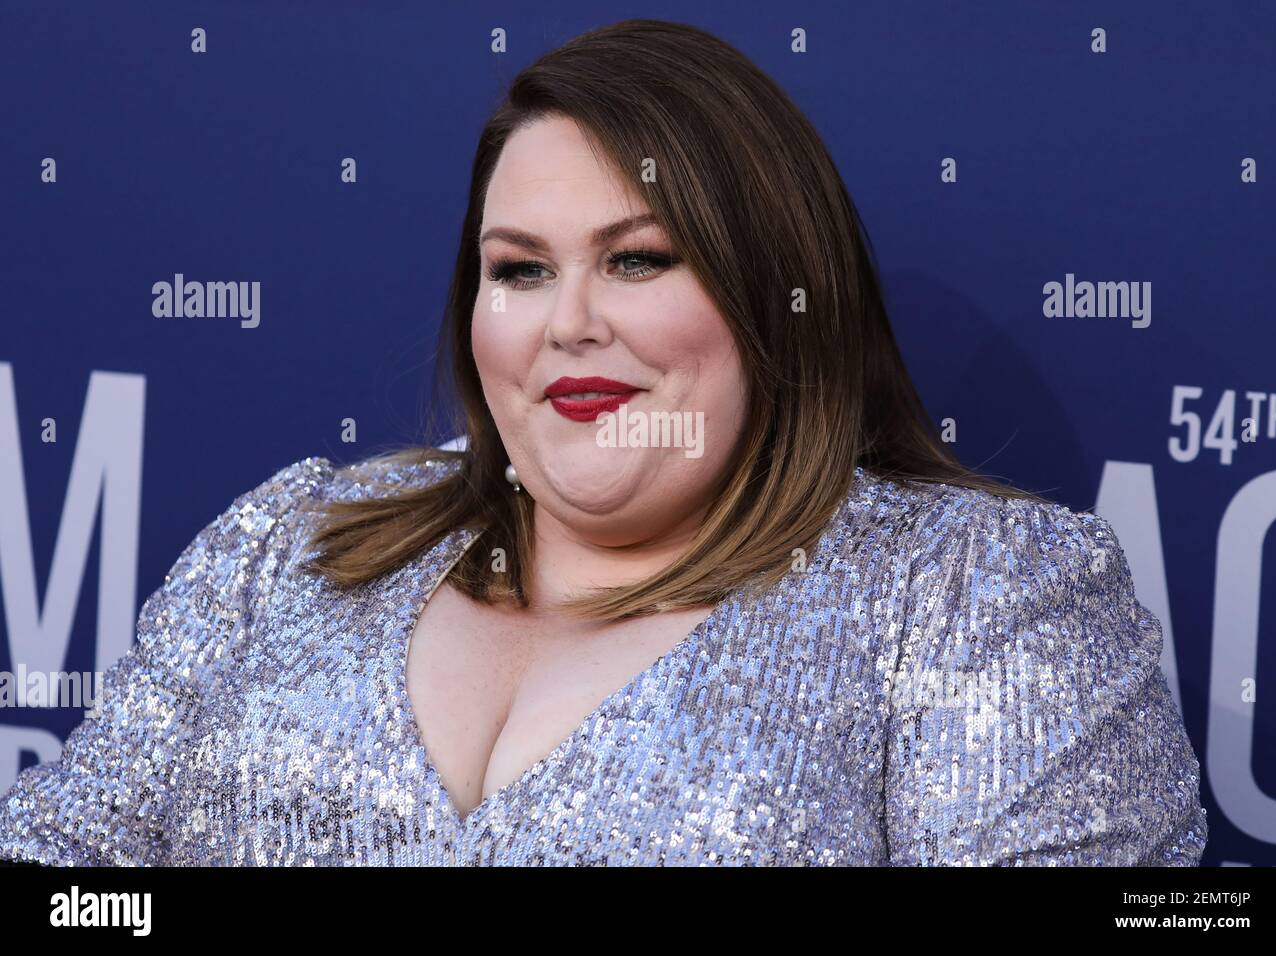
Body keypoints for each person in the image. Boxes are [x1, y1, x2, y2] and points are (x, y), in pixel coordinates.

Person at [0, 19, 1206, 866]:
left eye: (638, 259)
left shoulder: (973, 596)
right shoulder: (296, 541)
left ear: (775, 289)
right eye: (519, 270)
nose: (569, 322)